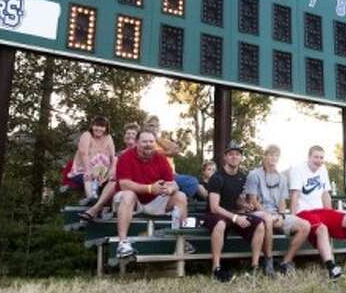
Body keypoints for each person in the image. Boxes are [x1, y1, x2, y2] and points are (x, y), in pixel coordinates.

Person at [93, 129, 187, 259]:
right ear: (137, 142)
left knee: (180, 196)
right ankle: (122, 243)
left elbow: (173, 183)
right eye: (144, 141)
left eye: (151, 141)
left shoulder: (160, 158)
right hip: (131, 201)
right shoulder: (126, 157)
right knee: (128, 195)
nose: (148, 144)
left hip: (154, 200)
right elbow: (124, 184)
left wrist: (170, 189)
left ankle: (180, 241)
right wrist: (149, 188)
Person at [287, 145, 346, 279]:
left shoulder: (323, 169)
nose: (319, 161)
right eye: (316, 157)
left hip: (321, 211)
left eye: (321, 158)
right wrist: (292, 218)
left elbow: (325, 194)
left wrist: (331, 215)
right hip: (304, 212)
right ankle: (332, 267)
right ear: (308, 157)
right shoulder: (298, 169)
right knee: (322, 228)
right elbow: (295, 195)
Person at [203, 143, 268, 282]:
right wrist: (235, 218)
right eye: (231, 154)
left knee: (260, 224)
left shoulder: (242, 177)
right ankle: (216, 268)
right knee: (220, 224)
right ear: (225, 157)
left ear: (241, 157)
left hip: (234, 213)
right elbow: (214, 207)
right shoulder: (217, 178)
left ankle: (254, 267)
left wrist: (245, 205)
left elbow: (237, 200)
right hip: (216, 215)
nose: (234, 157)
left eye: (237, 154)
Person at [245, 144, 311, 276]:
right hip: (258, 213)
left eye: (276, 155)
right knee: (268, 219)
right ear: (264, 156)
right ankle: (268, 260)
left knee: (305, 225)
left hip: (276, 215)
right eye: (270, 155)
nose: (273, 158)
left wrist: (281, 215)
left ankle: (285, 262)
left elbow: (282, 201)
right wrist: (268, 214)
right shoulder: (254, 175)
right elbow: (253, 200)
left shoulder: (282, 178)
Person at [67, 116, 116, 201]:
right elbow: (84, 154)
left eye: (102, 126)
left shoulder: (108, 137)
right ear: (92, 126)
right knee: (89, 177)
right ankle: (91, 199)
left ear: (106, 128)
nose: (99, 129)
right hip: (83, 171)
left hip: (102, 174)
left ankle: (107, 204)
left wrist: (108, 174)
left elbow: (113, 158)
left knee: (114, 180)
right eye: (96, 125)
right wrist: (90, 172)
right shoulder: (87, 135)